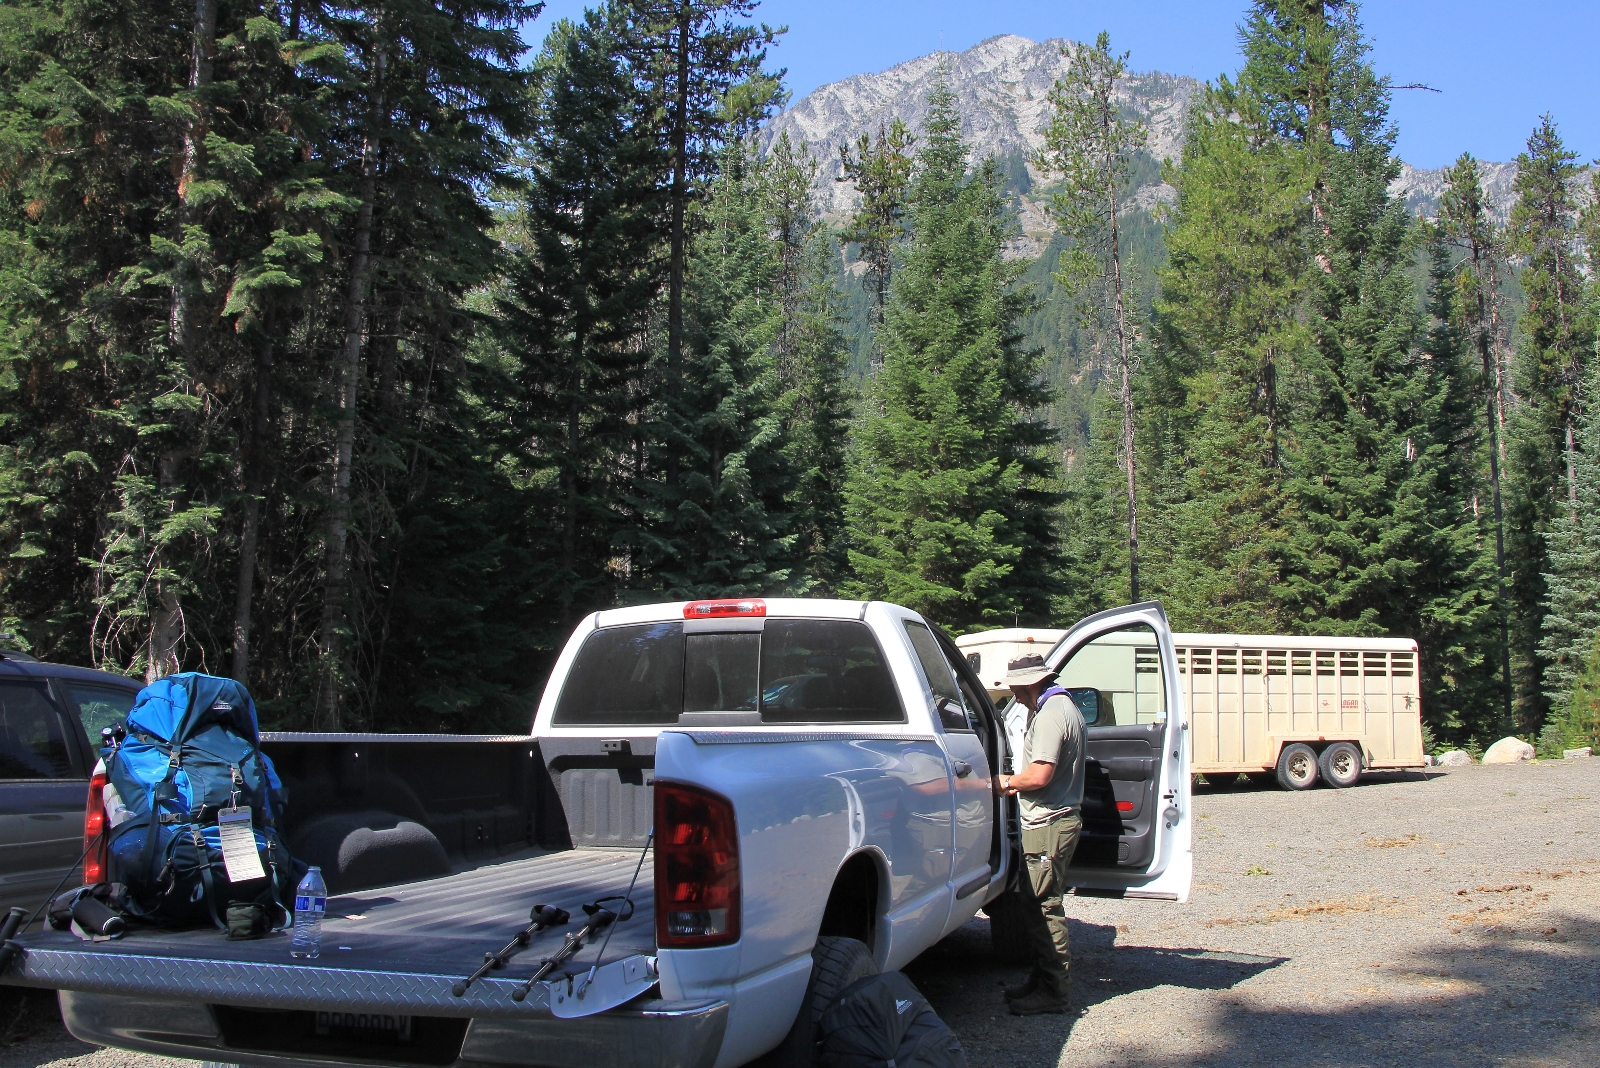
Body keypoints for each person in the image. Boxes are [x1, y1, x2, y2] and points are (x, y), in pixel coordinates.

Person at [993, 653, 1086, 1015]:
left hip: (1048, 823)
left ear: (1032, 682)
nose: (1014, 693)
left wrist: (1005, 783)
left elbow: (1039, 775)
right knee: (1033, 903)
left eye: (1016, 687)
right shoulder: (1063, 707)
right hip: (1054, 821)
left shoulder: (1050, 715)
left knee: (1044, 906)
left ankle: (1054, 992)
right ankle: (1041, 980)